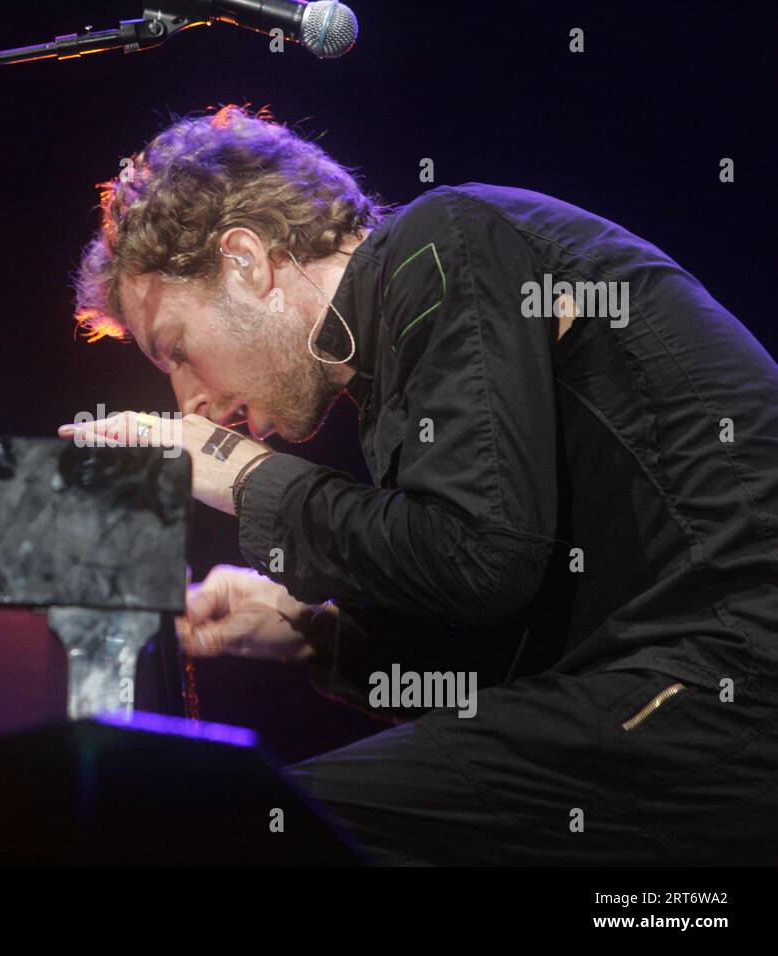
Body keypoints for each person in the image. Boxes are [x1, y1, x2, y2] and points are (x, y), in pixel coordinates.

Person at [57, 104, 778, 864]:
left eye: (175, 350)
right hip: (671, 696)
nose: (190, 403)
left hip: (729, 683)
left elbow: (484, 559)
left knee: (244, 830)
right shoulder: (399, 352)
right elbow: (499, 646)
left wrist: (239, 473)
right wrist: (316, 631)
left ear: (246, 262)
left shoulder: (446, 241)